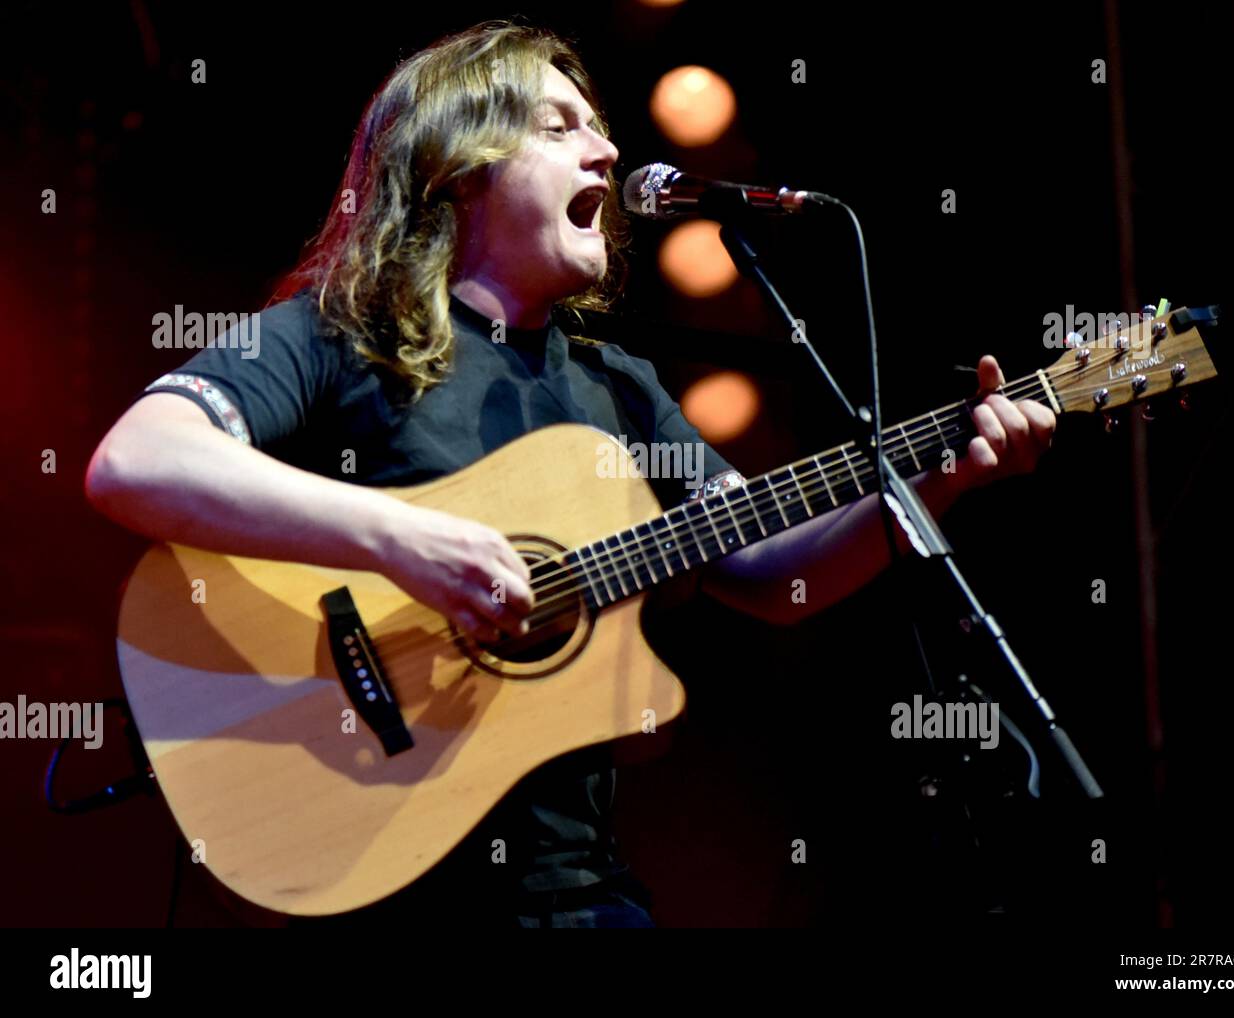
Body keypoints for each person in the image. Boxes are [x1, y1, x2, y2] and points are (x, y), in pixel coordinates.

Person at [84, 20, 1055, 928]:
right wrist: (400, 537)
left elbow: (768, 571)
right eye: (560, 127)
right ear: (456, 168)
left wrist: (936, 481)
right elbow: (138, 459)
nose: (605, 152)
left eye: (600, 128)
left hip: (573, 890)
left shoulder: (617, 388)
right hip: (380, 880)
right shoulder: (342, 335)